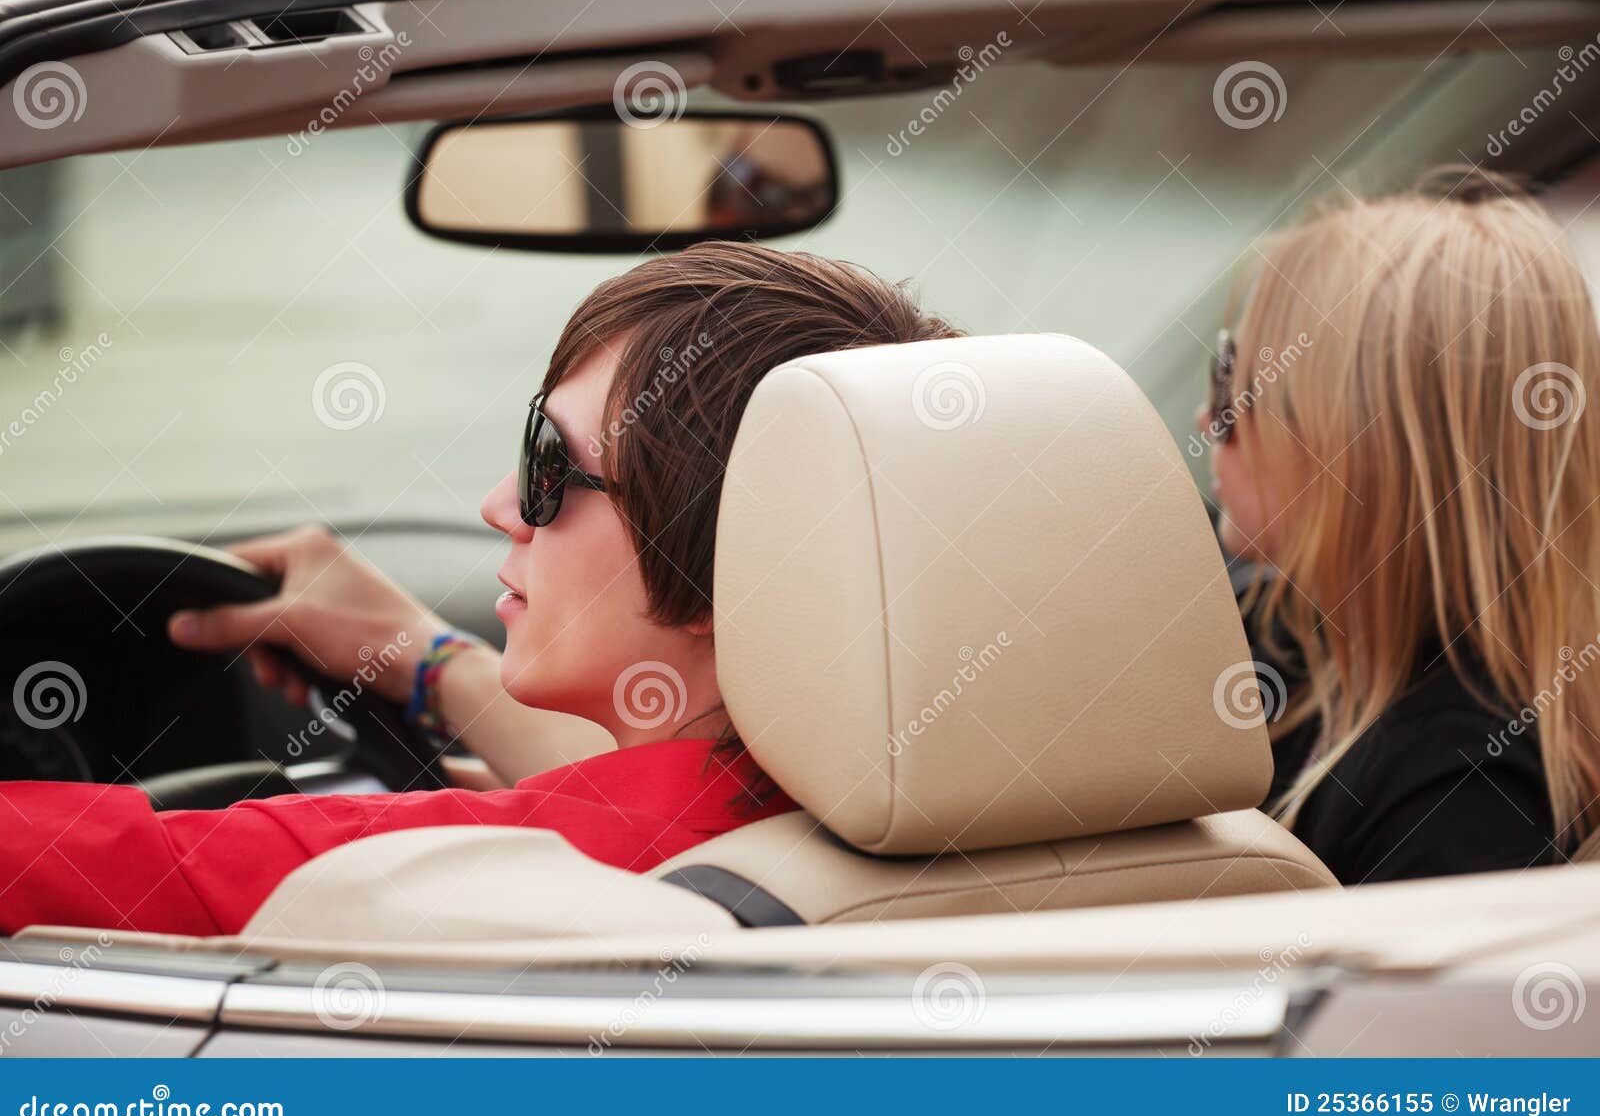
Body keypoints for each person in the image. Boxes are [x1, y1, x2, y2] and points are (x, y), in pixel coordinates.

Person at [0, 242, 959, 936]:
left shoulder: (481, 872)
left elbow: (77, 864)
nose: (504, 503)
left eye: (552, 464)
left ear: (736, 564)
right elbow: (648, 788)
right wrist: (422, 658)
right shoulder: (1000, 805)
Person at [1198, 166, 1600, 884]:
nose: (1207, 420)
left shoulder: (1461, 791)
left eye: (1232, 381)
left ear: (1348, 448)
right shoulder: (1302, 641)